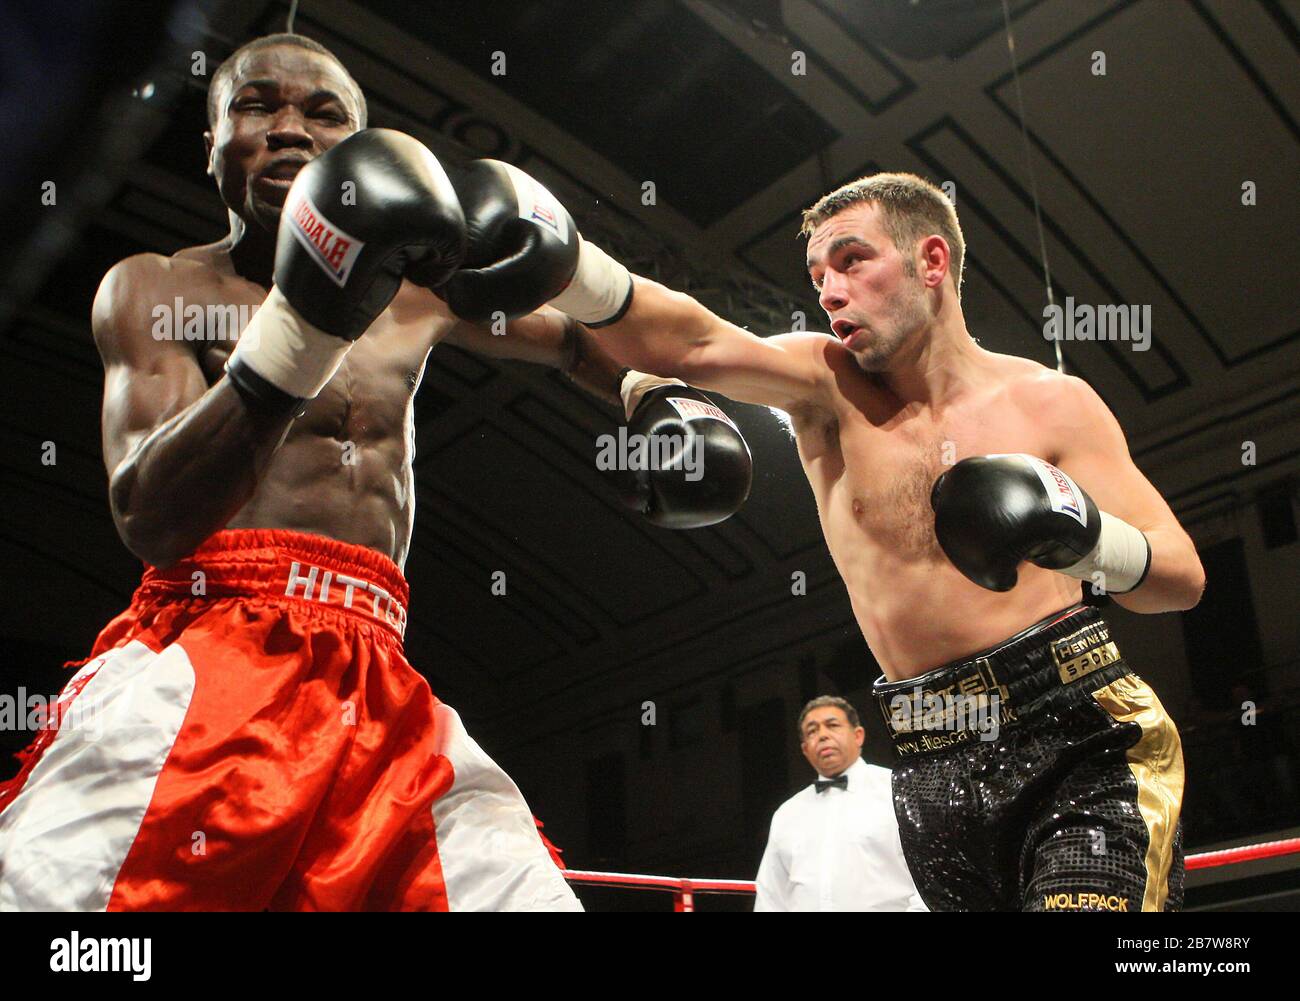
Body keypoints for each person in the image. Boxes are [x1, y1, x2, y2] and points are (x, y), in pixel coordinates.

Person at [0, 33, 749, 911]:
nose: (288, 130)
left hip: (378, 679)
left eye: (323, 114)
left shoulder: (420, 293)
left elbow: (581, 334)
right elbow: (149, 514)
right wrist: (303, 323)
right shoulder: (155, 286)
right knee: (65, 919)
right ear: (209, 144)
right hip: (209, 648)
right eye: (255, 106)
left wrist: (653, 396)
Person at [530, 171, 1203, 911]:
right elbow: (689, 341)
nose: (830, 289)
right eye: (818, 274)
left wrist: (1085, 536)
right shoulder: (824, 388)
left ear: (932, 261)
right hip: (927, 757)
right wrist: (567, 262)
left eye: (852, 260)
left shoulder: (1054, 402)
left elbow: (1180, 575)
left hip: (1076, 733)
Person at [755, 696, 924, 912]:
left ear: (858, 735)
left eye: (832, 725)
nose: (823, 735)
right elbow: (770, 898)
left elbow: (932, 873)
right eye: (812, 731)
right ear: (805, 749)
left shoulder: (898, 789)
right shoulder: (787, 814)